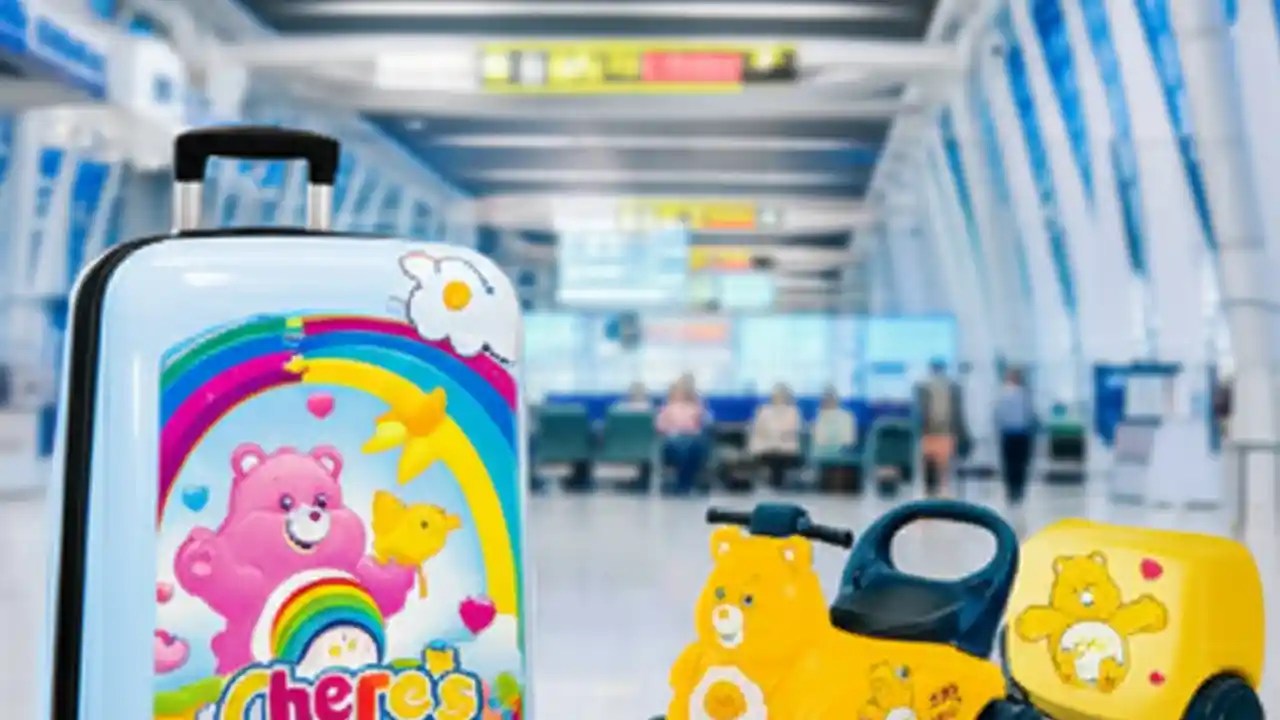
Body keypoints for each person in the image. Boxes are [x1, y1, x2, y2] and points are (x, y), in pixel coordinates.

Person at [913, 359, 970, 497]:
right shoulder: (922, 388)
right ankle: (931, 493)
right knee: (930, 464)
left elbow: (958, 413)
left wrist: (962, 433)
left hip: (946, 431)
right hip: (930, 431)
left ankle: (943, 493)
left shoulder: (953, 388)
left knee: (945, 465)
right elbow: (919, 411)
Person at [655, 377, 710, 494]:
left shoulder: (696, 409)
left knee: (694, 447)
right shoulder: (666, 410)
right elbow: (660, 428)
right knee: (682, 448)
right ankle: (683, 485)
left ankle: (684, 485)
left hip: (692, 440)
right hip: (672, 442)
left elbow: (703, 425)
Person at [994, 367, 1036, 508]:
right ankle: (1015, 491)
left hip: (1014, 434)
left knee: (1014, 464)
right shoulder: (1019, 394)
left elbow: (998, 415)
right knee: (1017, 464)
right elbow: (1030, 414)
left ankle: (1014, 491)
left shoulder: (1008, 394)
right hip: (1016, 434)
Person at [748, 383, 803, 488]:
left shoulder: (793, 412)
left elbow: (790, 433)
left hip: (786, 450)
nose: (778, 398)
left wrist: (777, 439)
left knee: (779, 457)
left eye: (781, 396)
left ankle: (778, 487)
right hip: (766, 448)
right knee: (771, 456)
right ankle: (773, 487)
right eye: (776, 395)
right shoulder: (764, 411)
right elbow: (758, 433)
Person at [811, 387, 858, 490]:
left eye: (830, 399)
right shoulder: (819, 416)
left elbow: (849, 440)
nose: (828, 402)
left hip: (840, 452)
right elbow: (818, 440)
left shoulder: (846, 416)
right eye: (825, 400)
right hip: (820, 454)